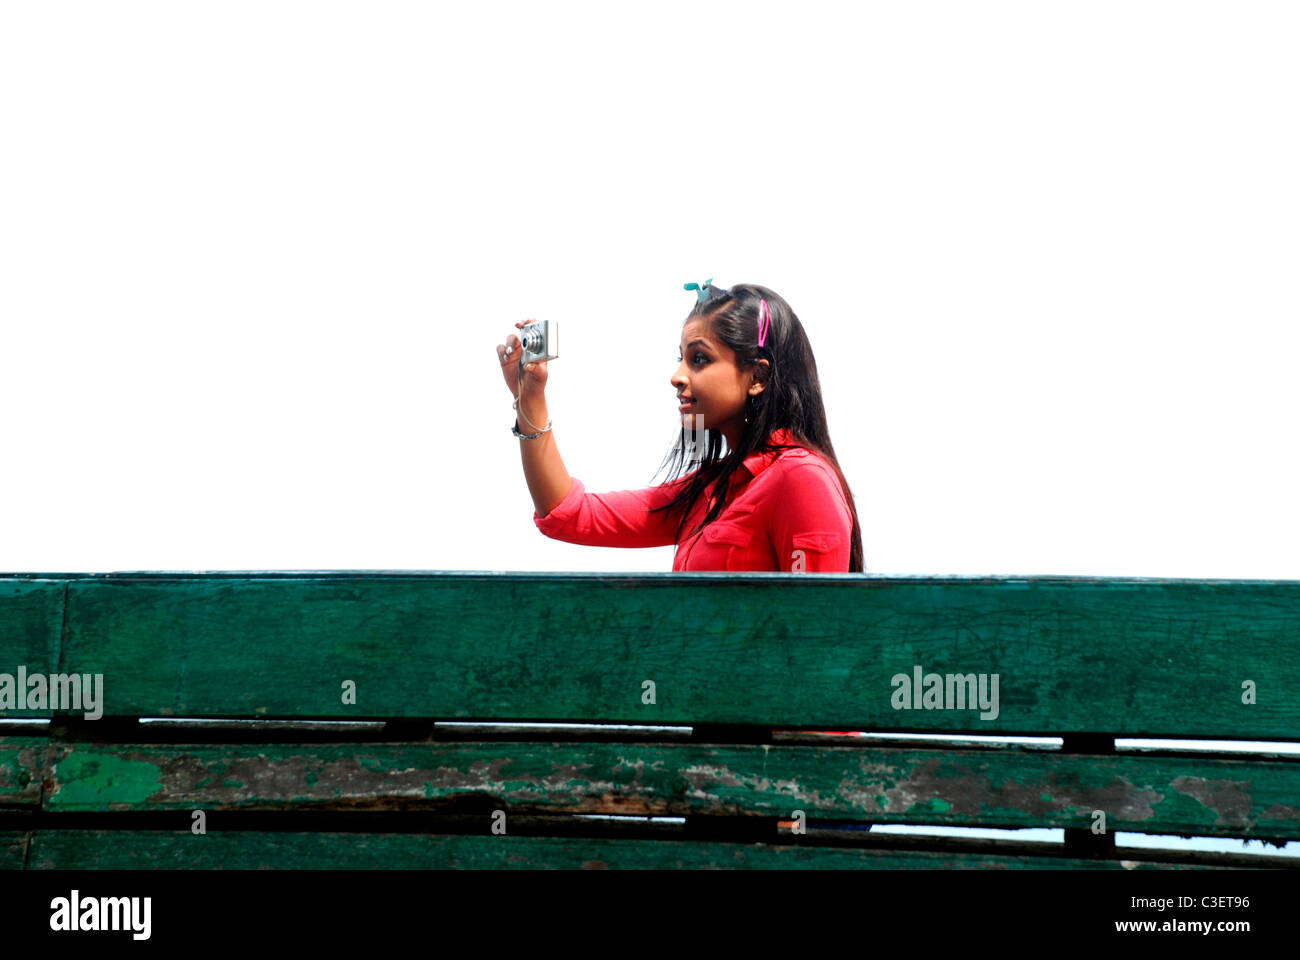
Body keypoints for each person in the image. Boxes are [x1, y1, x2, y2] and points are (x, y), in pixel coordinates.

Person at [496, 279, 863, 572]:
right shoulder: (709, 491)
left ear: (757, 376)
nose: (677, 376)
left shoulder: (801, 481)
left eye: (699, 359)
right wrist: (530, 397)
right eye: (681, 358)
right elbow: (568, 516)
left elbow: (818, 641)